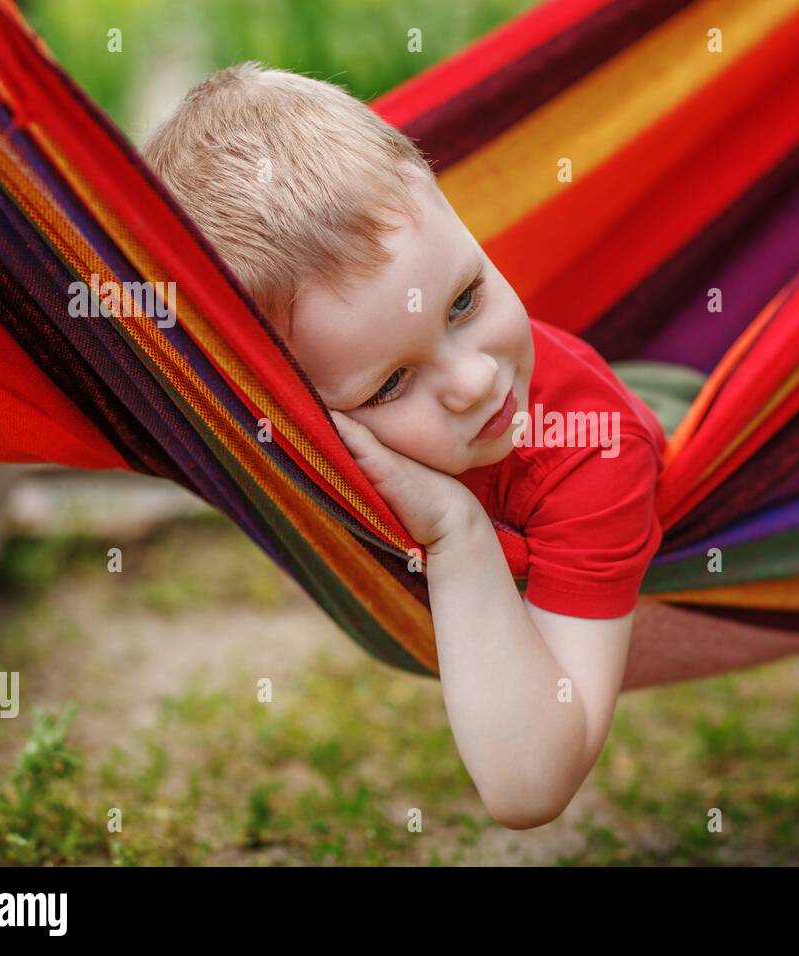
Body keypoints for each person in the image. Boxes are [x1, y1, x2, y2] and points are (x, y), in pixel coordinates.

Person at [143, 63, 667, 829]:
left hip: (700, 436)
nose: (475, 381)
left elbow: (529, 786)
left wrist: (457, 537)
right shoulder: (285, 439)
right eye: (391, 384)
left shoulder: (594, 457)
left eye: (464, 299)